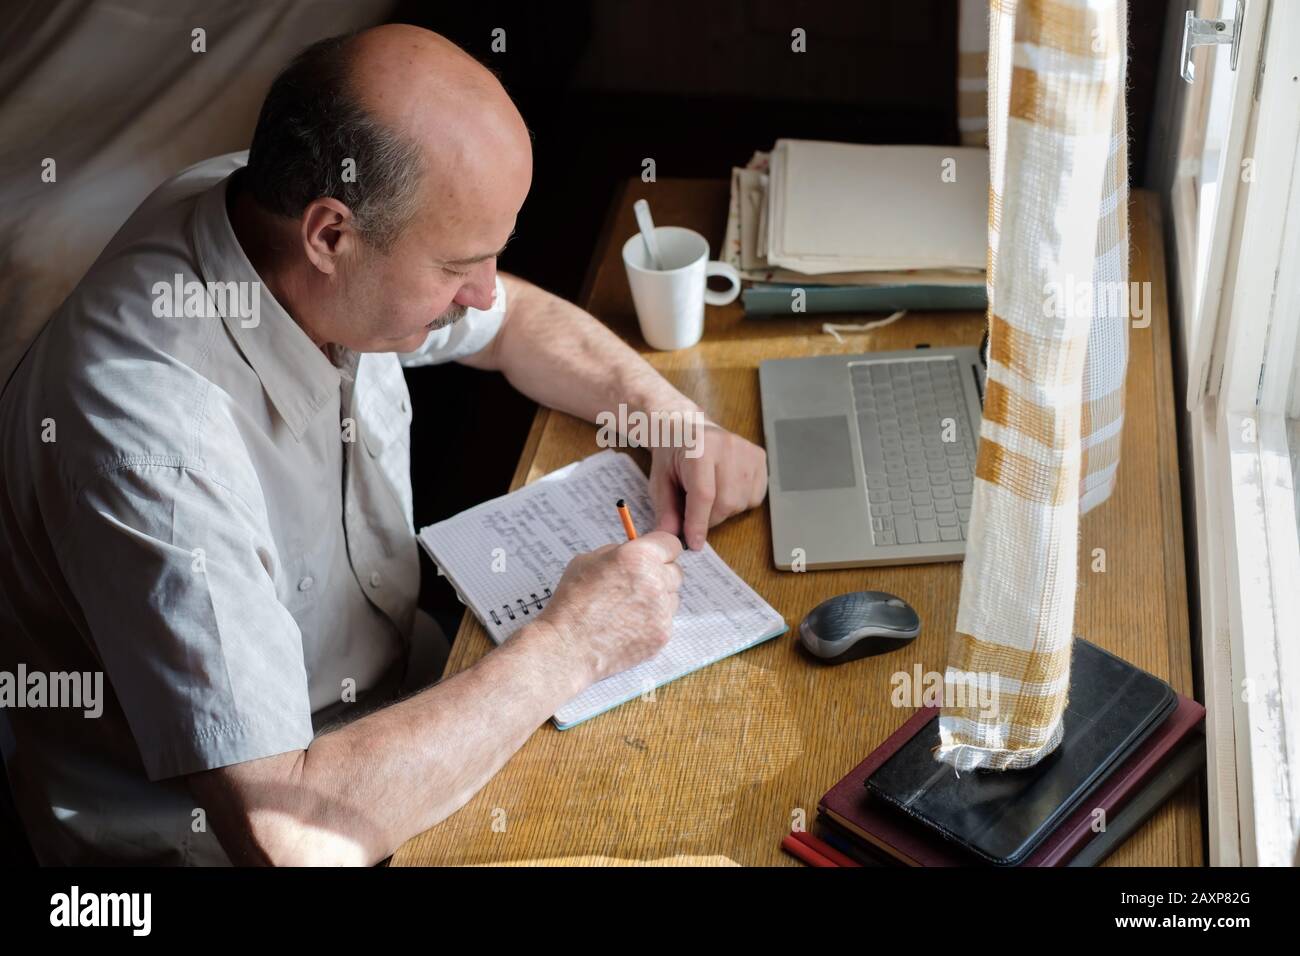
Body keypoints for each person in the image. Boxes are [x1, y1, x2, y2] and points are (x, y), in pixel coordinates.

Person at [0, 25, 766, 865]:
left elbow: (509, 322)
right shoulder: (154, 442)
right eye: (456, 266)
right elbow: (287, 837)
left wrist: (667, 417)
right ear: (329, 236)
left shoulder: (264, 215)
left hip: (409, 697)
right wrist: (573, 643)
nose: (478, 293)